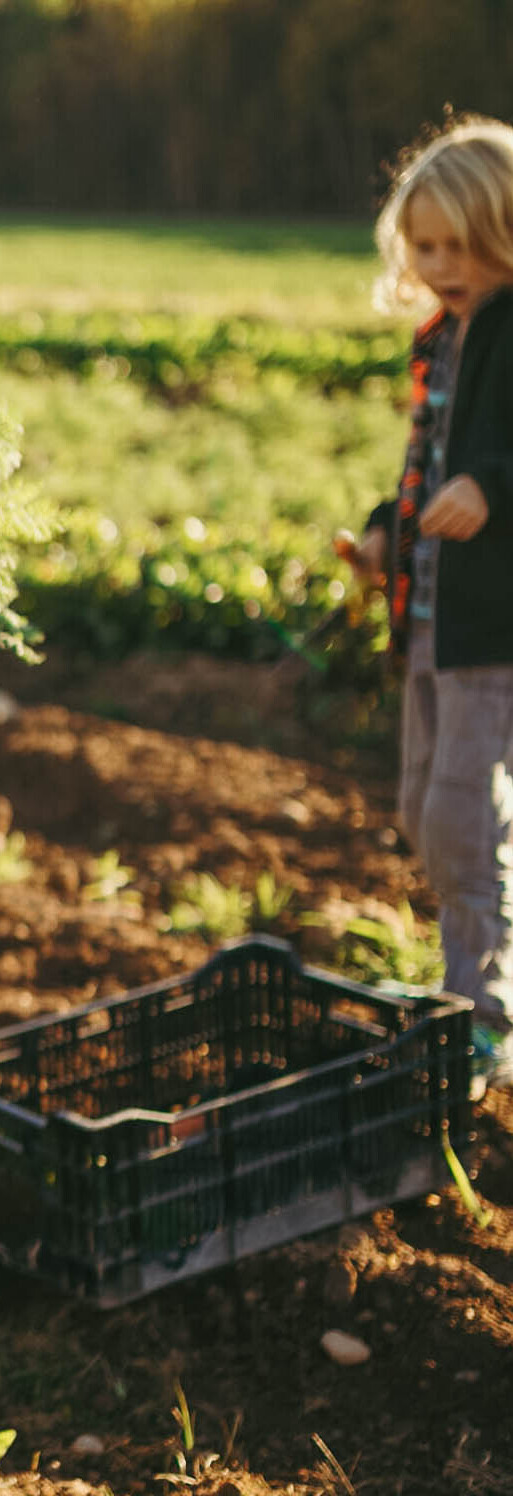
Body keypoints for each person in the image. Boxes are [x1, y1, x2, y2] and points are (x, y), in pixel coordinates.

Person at [347, 116, 513, 1098]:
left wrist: (495, 488)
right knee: (425, 808)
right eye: (426, 246)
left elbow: (486, 468)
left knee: (458, 815)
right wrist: (383, 532)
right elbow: (427, 470)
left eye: (464, 245)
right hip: (429, 620)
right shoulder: (442, 340)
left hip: (491, 626)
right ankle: (472, 983)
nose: (443, 265)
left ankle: (479, 1018)